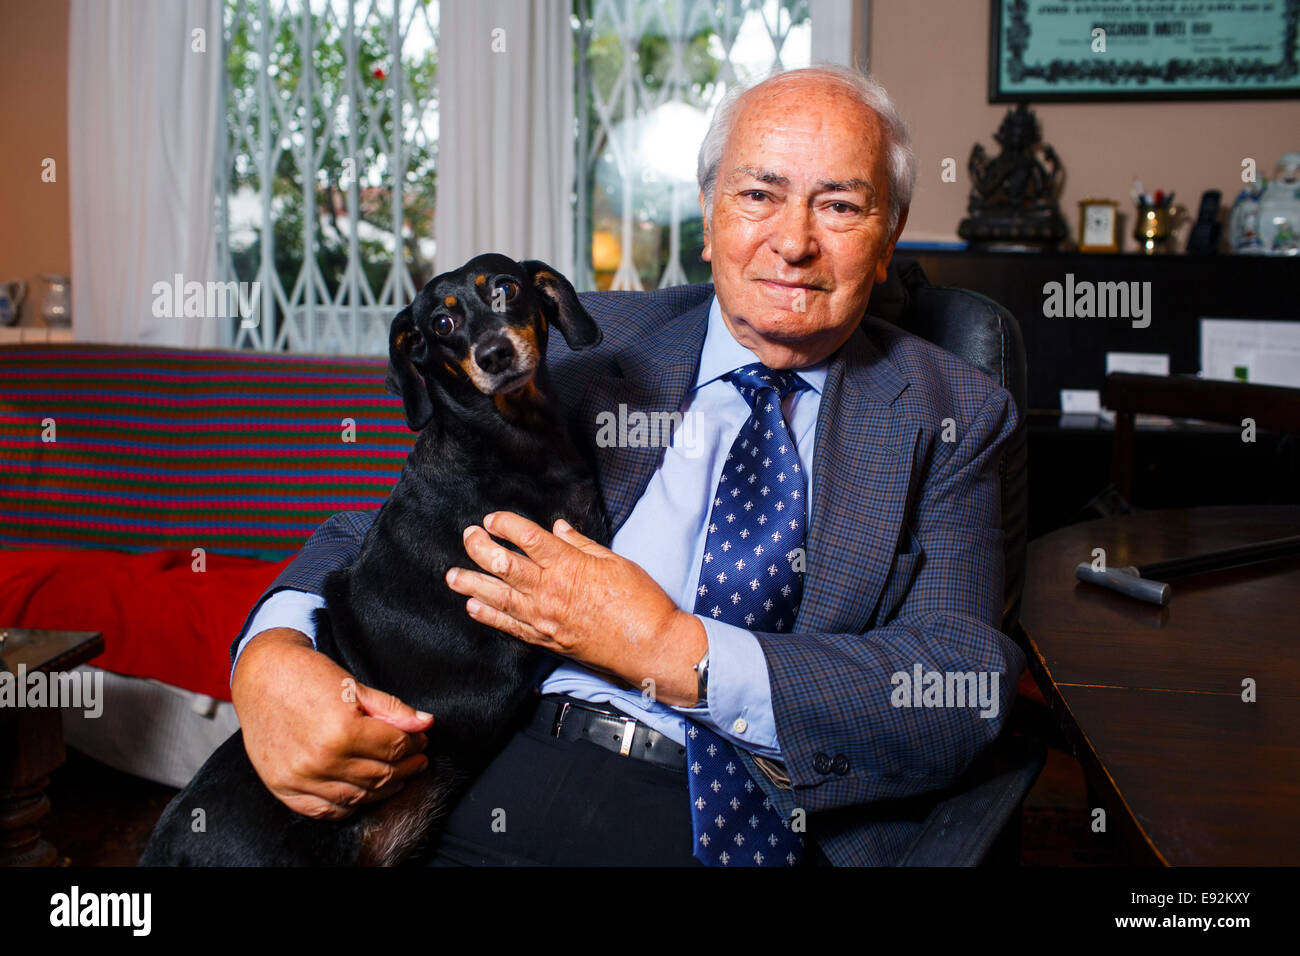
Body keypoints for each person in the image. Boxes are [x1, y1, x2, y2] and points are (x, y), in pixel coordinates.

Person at [227, 64, 1025, 866]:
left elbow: (963, 680)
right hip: (498, 768)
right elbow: (397, 523)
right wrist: (273, 652)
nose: (793, 241)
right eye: (757, 195)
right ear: (709, 219)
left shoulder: (953, 411)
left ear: (889, 238)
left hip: (749, 807)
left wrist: (669, 648)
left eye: (841, 205)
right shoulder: (591, 344)